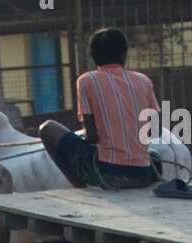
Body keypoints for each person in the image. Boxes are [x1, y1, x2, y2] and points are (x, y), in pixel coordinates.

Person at [39, 28, 159, 190]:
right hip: (144, 174)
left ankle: (79, 186)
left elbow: (92, 137)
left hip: (108, 173)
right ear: (124, 54)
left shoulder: (86, 80)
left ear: (93, 55)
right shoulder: (144, 80)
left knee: (47, 128)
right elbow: (154, 131)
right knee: (155, 156)